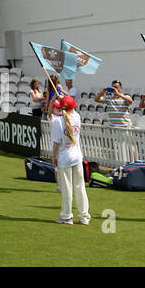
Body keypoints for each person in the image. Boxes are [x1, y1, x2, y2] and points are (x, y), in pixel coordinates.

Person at [51, 95, 90, 225]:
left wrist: (53, 156)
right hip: (77, 156)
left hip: (64, 158)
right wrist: (65, 99)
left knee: (66, 188)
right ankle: (84, 216)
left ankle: (67, 216)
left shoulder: (58, 121)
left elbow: (56, 143)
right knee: (80, 187)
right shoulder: (77, 117)